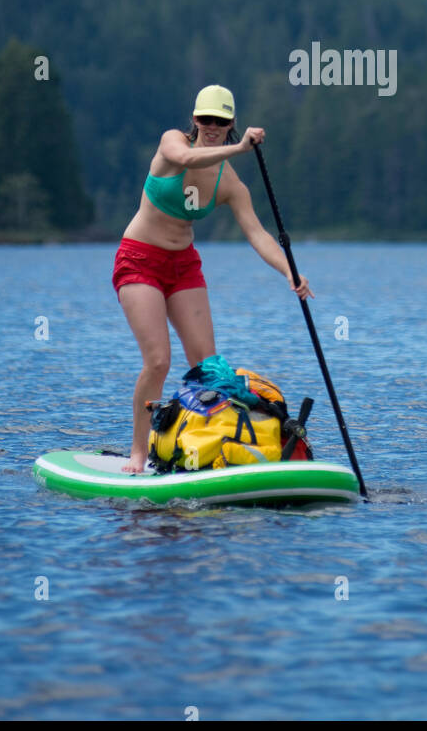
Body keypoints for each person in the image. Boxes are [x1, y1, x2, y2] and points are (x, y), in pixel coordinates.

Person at [112, 84, 313, 473]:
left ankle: (206, 447)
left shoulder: (230, 183)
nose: (213, 126)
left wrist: (290, 271)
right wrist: (240, 148)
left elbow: (257, 234)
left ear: (231, 123)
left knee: (208, 368)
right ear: (195, 119)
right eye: (206, 119)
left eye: (221, 121)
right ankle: (138, 452)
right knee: (158, 361)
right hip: (139, 259)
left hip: (183, 265)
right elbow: (188, 155)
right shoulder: (172, 143)